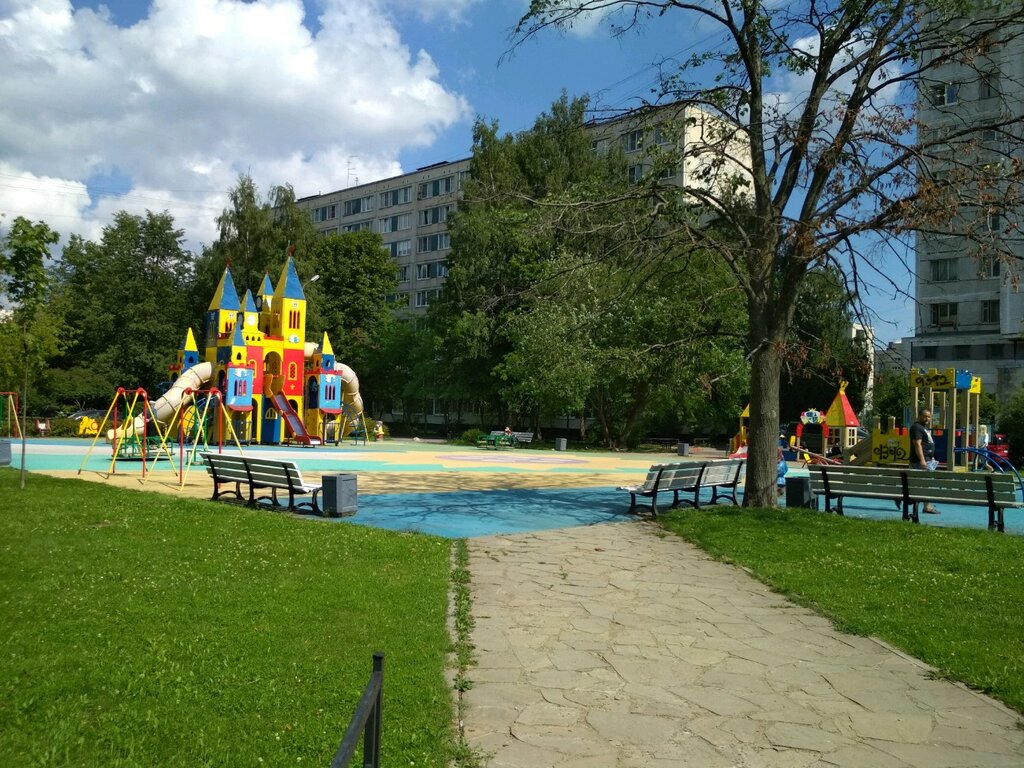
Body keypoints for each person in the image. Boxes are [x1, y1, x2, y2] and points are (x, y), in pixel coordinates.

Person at [909, 408, 940, 514]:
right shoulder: (916, 428)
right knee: (924, 483)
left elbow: (926, 443)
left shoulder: (923, 428)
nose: (927, 418)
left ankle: (903, 497)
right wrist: (922, 460)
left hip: (927, 459)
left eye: (929, 416)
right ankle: (926, 507)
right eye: (925, 416)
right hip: (920, 461)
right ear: (919, 416)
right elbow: (917, 444)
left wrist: (931, 457)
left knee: (923, 484)